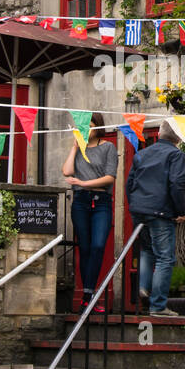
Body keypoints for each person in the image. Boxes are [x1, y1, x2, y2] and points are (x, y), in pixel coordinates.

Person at [126, 124, 185, 317]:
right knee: (164, 257)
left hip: (139, 210)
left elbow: (130, 184)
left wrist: (135, 206)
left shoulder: (141, 154)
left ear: (160, 134)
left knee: (146, 250)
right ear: (178, 138)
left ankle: (143, 288)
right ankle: (158, 306)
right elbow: (176, 184)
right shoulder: (176, 155)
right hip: (160, 211)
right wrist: (180, 211)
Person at [63, 112, 118, 313]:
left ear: (98, 127)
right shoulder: (79, 149)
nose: (85, 130)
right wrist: (74, 147)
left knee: (97, 246)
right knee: (84, 248)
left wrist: (84, 183)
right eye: (82, 127)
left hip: (100, 201)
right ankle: (88, 297)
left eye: (89, 126)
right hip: (80, 202)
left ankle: (89, 294)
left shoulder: (108, 147)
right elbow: (67, 171)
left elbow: (110, 177)